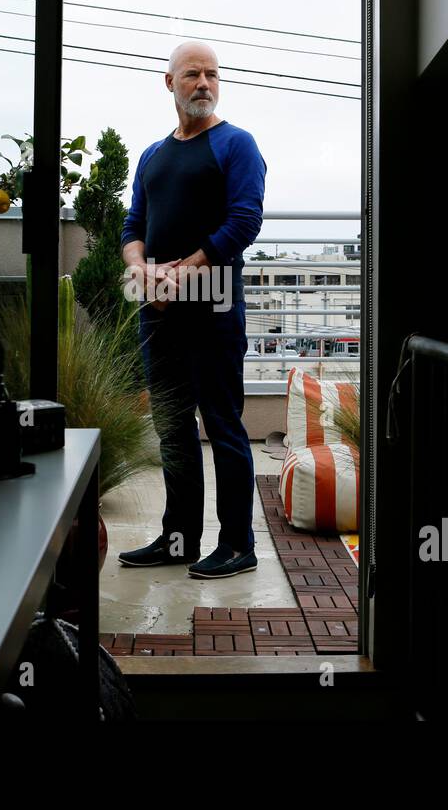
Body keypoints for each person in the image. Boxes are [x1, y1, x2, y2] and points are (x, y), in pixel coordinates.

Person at [117, 41, 267, 579]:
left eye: (211, 74)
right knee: (172, 429)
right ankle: (179, 538)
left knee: (223, 425)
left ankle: (237, 544)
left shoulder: (236, 144)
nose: (203, 83)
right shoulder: (153, 156)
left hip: (214, 307)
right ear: (170, 83)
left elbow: (245, 221)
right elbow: (133, 225)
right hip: (157, 311)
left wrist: (184, 269)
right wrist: (140, 268)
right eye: (191, 75)